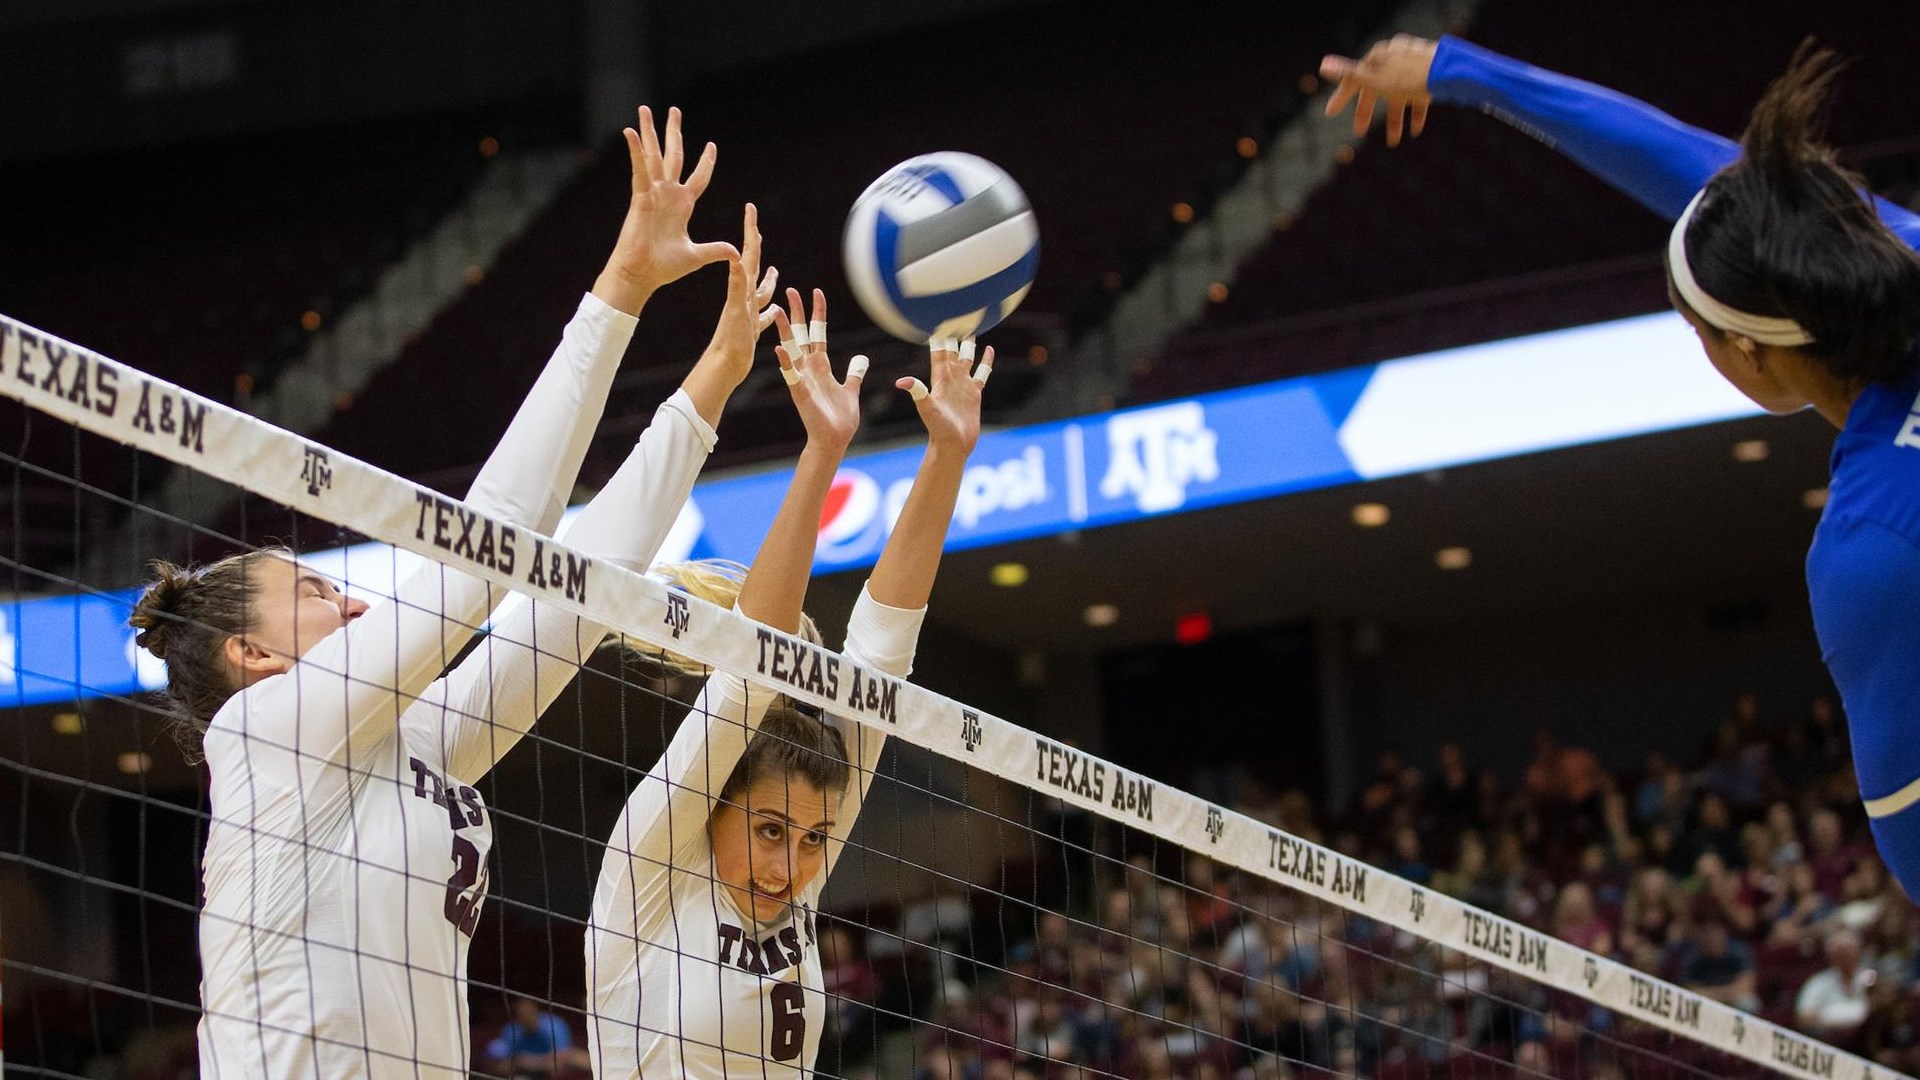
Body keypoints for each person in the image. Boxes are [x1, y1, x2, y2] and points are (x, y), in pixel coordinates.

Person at [129, 107, 773, 1079]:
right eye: (313, 594)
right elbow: (488, 543)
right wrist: (621, 289)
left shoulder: (418, 741)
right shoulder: (264, 733)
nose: (351, 607)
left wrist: (712, 385)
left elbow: (580, 599)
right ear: (251, 657)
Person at [1321, 34, 1920, 895]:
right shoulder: (1890, 252)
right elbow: (1689, 162)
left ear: (1748, 353)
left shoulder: (1868, 549)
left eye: (1696, 329)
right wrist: (1461, 71)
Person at [585, 296, 993, 1078]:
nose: (790, 866)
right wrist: (823, 450)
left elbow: (879, 661)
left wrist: (947, 457)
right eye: (771, 831)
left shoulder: (794, 890)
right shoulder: (655, 863)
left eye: (811, 840)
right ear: (715, 802)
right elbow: (748, 666)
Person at [484, 996, 592, 1078]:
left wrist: (528, 1061)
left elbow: (561, 1061)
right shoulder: (511, 1030)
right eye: (521, 1013)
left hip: (549, 1071)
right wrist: (519, 1063)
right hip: (523, 1073)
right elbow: (499, 1062)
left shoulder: (554, 1025)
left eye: (529, 1012)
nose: (526, 1016)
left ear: (536, 1011)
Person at [1795, 928, 1875, 1036]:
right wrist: (1835, 1019)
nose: (1845, 958)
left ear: (1858, 952)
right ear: (1830, 956)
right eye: (1840, 953)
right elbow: (1803, 1018)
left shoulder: (1870, 977)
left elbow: (1878, 1009)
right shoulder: (1818, 982)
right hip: (1830, 1039)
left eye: (1848, 952)